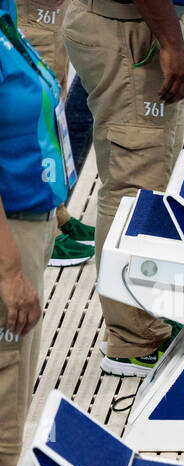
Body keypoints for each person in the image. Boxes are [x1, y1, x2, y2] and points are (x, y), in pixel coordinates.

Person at [62, 0, 184, 377]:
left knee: (146, 175)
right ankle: (133, 342)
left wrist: (179, 12)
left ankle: (138, 323)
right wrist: (171, 41)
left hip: (139, 23)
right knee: (134, 187)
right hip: (129, 34)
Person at [0, 0, 72, 466]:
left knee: (10, 412)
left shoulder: (5, 20)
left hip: (30, 226)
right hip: (7, 248)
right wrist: (8, 273)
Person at [16, 0, 97, 267]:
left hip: (51, 16)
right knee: (32, 123)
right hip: (28, 12)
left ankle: (56, 212)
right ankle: (40, 230)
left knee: (53, 105)